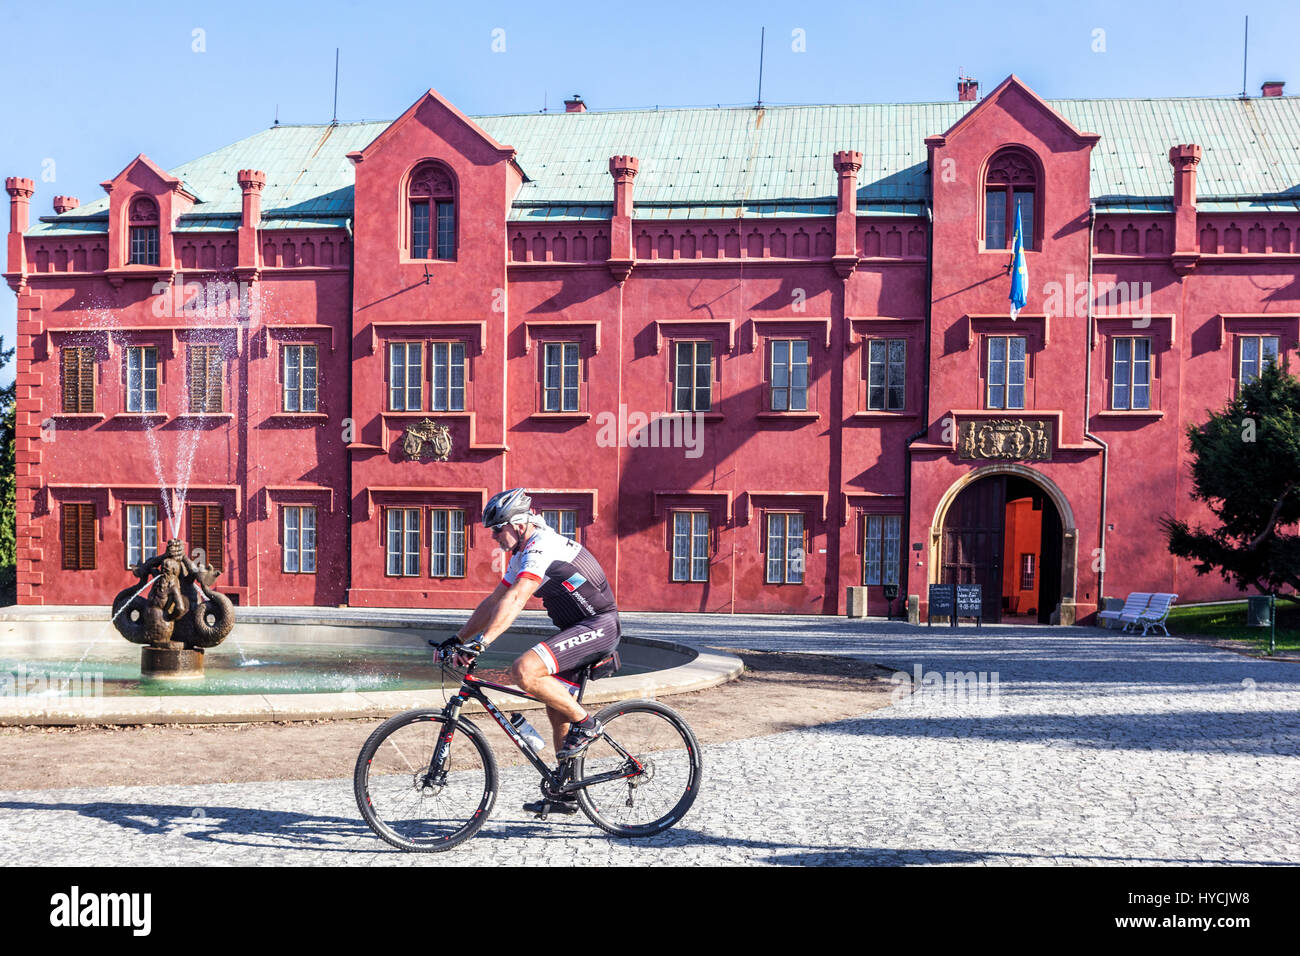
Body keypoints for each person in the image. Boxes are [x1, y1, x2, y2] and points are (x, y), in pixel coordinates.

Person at [449, 488, 620, 815]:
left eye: (497, 529)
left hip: (598, 626)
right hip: (577, 630)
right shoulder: (523, 552)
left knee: (524, 670)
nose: (494, 536)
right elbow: (495, 601)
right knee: (557, 711)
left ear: (518, 524)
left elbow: (516, 599)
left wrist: (481, 643)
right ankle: (565, 792)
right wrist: (456, 639)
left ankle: (588, 724)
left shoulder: (541, 548)